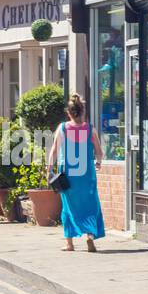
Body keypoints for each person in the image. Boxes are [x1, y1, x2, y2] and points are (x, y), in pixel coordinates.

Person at [48, 95, 106, 252]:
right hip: (87, 176)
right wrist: (98, 163)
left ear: (69, 113)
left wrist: (49, 169)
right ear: (83, 112)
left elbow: (54, 150)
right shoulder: (90, 129)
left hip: (68, 176)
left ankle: (69, 244)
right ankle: (90, 237)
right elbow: (99, 152)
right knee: (90, 205)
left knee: (68, 207)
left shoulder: (62, 128)